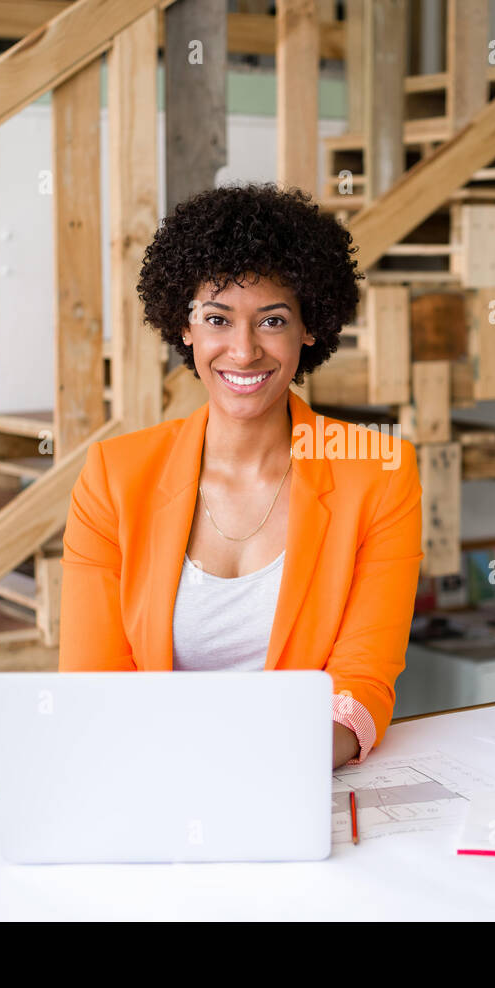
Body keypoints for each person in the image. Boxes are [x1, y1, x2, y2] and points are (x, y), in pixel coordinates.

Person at [57, 183, 424, 769]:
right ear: (187, 327)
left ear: (309, 328)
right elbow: (93, 681)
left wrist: (278, 765)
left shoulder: (381, 474)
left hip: (296, 774)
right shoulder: (113, 477)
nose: (244, 350)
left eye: (272, 320)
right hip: (152, 773)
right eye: (218, 319)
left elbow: (362, 679)